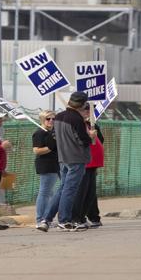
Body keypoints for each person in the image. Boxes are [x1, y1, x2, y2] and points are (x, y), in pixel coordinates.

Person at [53, 92, 93, 231]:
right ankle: (64, 220)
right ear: (82, 105)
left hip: (63, 157)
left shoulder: (58, 116)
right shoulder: (76, 119)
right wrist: (91, 136)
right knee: (69, 190)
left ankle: (47, 218)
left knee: (63, 188)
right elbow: (83, 140)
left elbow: (54, 135)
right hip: (76, 158)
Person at [76, 102, 106, 228]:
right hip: (83, 162)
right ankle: (79, 217)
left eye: (89, 110)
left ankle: (92, 216)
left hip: (93, 163)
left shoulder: (92, 125)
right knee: (82, 191)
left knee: (90, 192)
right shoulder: (78, 125)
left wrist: (94, 134)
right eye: (85, 110)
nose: (88, 112)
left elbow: (99, 140)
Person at [31, 110, 58, 232]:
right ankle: (40, 219)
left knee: (51, 193)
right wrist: (50, 148)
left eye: (53, 118)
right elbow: (36, 150)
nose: (51, 121)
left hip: (56, 164)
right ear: (43, 119)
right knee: (44, 192)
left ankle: (46, 218)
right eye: (48, 119)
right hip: (46, 164)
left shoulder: (52, 132)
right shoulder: (39, 133)